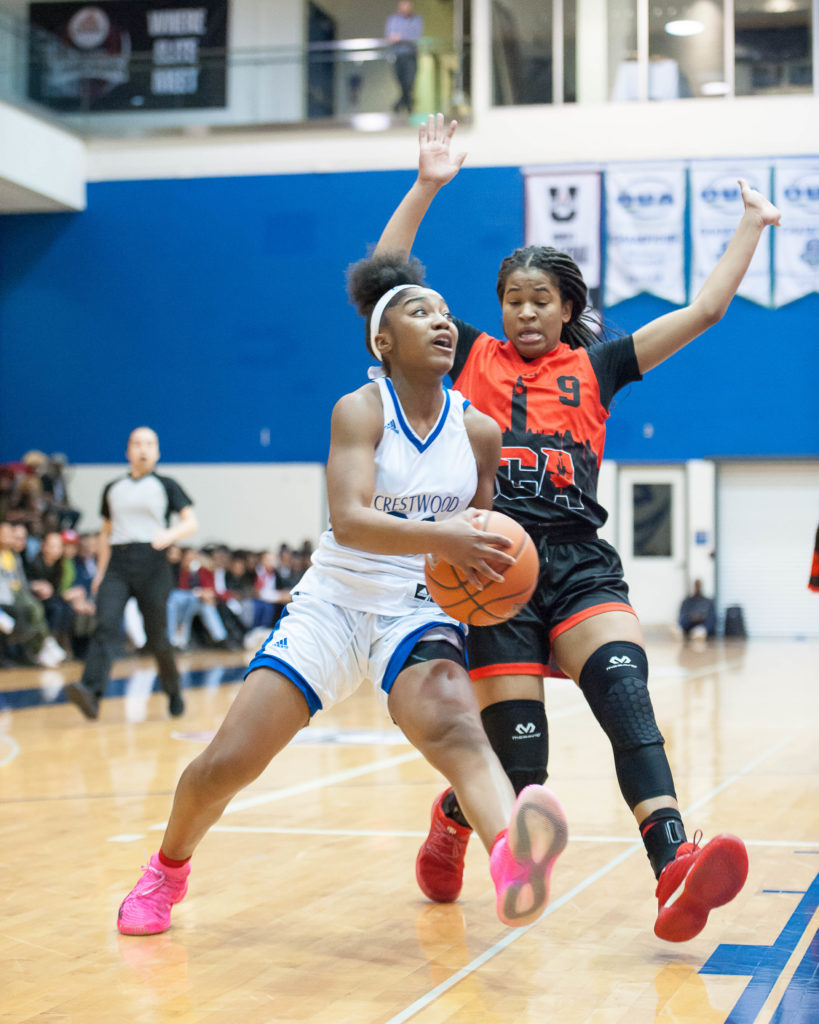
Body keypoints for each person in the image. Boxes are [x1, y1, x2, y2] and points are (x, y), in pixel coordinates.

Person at [375, 114, 781, 943]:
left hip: (578, 565)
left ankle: (672, 867)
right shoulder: (470, 357)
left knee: (625, 695)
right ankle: (454, 819)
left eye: (540, 301)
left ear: (567, 310)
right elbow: (389, 279)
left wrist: (751, 225)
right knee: (523, 767)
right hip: (489, 568)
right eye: (512, 301)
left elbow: (703, 309)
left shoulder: (600, 366)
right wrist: (426, 185)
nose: (524, 314)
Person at [115, 254, 568, 937]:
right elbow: (351, 520)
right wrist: (446, 538)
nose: (442, 322)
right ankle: (165, 871)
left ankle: (510, 858)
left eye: (446, 312)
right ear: (381, 342)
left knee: (454, 727)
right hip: (333, 602)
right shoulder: (360, 411)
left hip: (416, 608)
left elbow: (477, 538)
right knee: (229, 762)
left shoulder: (477, 431)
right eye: (421, 312)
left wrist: (491, 581)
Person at [63, 427, 198, 720]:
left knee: (157, 637)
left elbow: (191, 522)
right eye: (137, 444)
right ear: (128, 451)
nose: (143, 449)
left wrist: (170, 534)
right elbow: (105, 533)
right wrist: (100, 573)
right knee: (105, 625)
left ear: (158, 452)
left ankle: (173, 692)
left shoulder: (167, 485)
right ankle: (90, 691)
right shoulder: (113, 488)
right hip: (117, 564)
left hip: (153, 562)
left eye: (149, 444)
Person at [385, 0, 423, 114]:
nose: (405, 7)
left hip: (411, 56)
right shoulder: (393, 20)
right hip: (398, 56)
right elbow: (391, 38)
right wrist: (404, 39)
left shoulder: (417, 20)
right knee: (402, 83)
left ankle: (401, 104)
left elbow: (416, 38)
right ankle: (408, 103)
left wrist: (400, 38)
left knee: (409, 81)